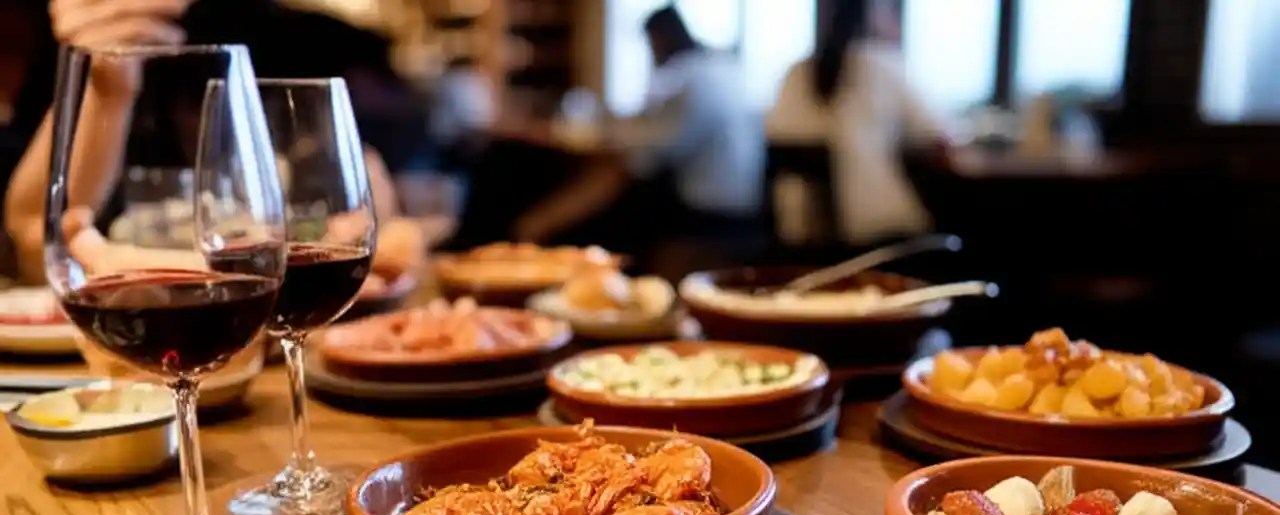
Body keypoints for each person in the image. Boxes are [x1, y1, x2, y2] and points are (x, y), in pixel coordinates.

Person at [1, 0, 424, 284]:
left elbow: (379, 212)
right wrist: (105, 89)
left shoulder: (312, 41)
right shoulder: (67, 35)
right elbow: (36, 247)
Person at [512, 5, 764, 281]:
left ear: (660, 38)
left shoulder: (691, 80)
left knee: (607, 190)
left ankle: (542, 252)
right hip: (745, 213)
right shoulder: (720, 69)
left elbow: (644, 155)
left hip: (708, 221)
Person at [766, 0, 951, 246]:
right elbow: (939, 138)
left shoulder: (795, 71)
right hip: (871, 230)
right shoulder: (883, 64)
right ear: (875, 15)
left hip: (797, 232)